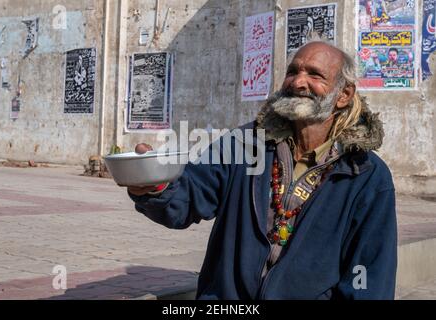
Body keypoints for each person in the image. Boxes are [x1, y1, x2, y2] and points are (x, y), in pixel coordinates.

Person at [127, 41, 397, 300]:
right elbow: (189, 197)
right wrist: (156, 185)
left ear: (343, 95)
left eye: (315, 75)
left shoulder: (367, 175)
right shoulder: (243, 144)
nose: (298, 82)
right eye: (293, 71)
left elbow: (369, 272)